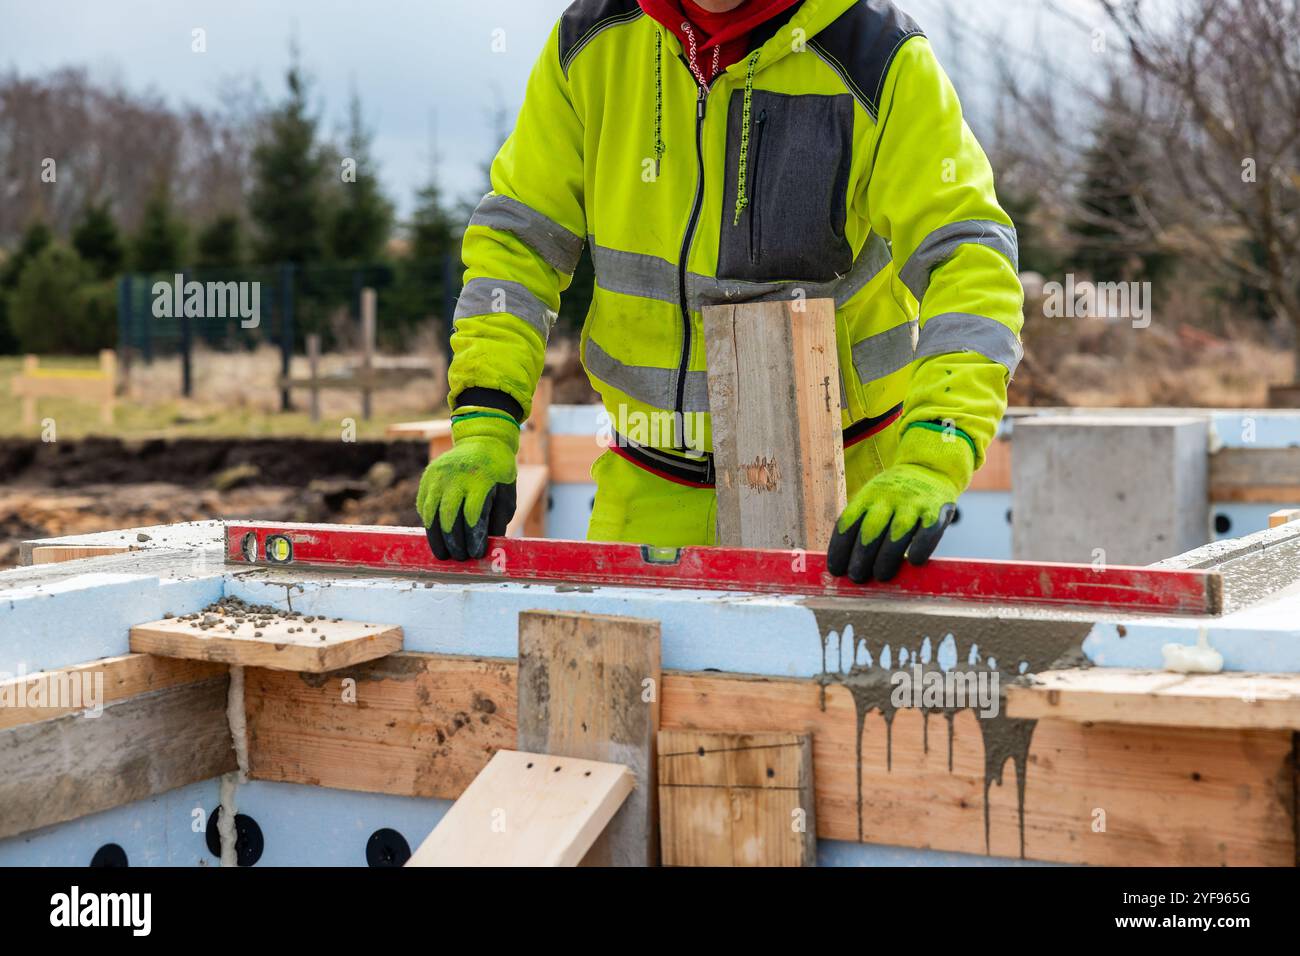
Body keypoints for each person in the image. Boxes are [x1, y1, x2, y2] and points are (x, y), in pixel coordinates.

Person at [416, 0, 1023, 582]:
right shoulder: (591, 42)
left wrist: (934, 452)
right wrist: (485, 419)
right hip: (644, 496)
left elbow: (967, 256)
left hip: (845, 501)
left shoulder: (875, 57)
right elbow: (519, 244)